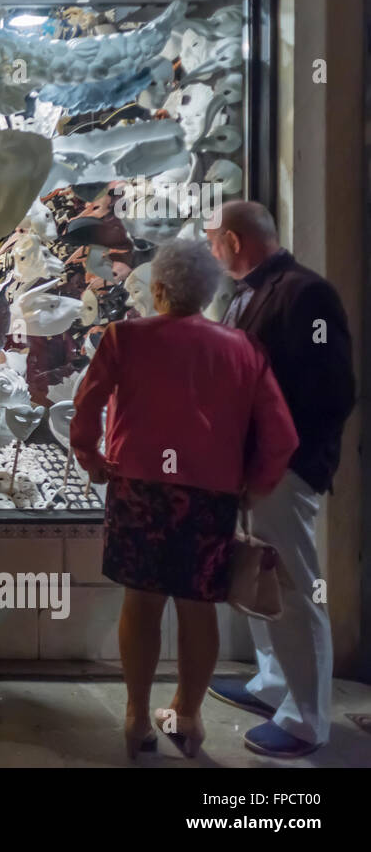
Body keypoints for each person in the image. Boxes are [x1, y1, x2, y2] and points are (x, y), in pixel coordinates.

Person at [71, 239, 297, 759]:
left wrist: (93, 459)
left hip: (139, 489)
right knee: (199, 609)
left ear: (158, 288)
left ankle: (134, 719)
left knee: (141, 602)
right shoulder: (243, 349)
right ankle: (189, 718)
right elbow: (281, 437)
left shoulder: (124, 337)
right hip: (210, 494)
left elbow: (86, 407)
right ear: (210, 291)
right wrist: (252, 485)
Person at [206, 201, 356, 757]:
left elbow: (332, 389)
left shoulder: (307, 295)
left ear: (234, 240)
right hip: (252, 465)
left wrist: (292, 462)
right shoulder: (253, 291)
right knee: (258, 574)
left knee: (295, 587)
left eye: (211, 239)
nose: (209, 250)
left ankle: (306, 717)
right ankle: (272, 682)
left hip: (284, 468)